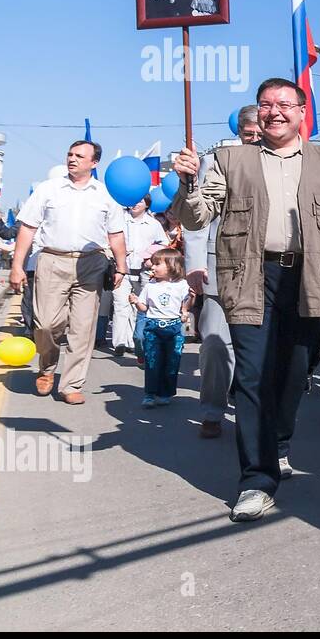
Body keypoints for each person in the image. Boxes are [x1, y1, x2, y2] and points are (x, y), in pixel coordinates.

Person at [172, 78, 320, 522]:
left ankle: (279, 440)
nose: (274, 112)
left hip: (311, 278)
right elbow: (196, 216)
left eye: (284, 104)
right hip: (249, 275)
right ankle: (257, 480)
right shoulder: (229, 160)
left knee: (295, 371)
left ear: (303, 113)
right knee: (252, 375)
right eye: (265, 105)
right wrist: (186, 183)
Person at [10, 141, 128, 406]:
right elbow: (27, 228)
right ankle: (47, 367)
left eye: (79, 156)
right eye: (70, 154)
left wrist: (121, 266)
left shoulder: (104, 194)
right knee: (47, 324)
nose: (72, 159)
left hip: (91, 263)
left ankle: (72, 384)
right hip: (52, 260)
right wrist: (17, 266)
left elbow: (116, 233)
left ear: (94, 163)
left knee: (83, 328)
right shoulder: (48, 189)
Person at [184, 106, 263, 439]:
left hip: (266, 270)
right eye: (250, 134)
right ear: (240, 131)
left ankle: (254, 418)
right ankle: (212, 410)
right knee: (216, 344)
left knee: (261, 350)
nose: (255, 139)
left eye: (262, 134)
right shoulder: (219, 161)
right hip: (220, 266)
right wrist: (195, 263)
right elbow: (199, 215)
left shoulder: (285, 164)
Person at [111, 196, 168, 362]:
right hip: (122, 269)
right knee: (120, 305)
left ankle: (134, 341)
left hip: (144, 270)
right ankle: (120, 342)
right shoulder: (120, 219)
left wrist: (151, 256)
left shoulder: (153, 224)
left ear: (147, 205)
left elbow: (164, 243)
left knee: (139, 306)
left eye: (141, 201)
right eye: (134, 200)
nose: (136, 204)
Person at [135, 247, 193, 408]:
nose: (152, 267)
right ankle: (150, 394)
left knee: (172, 361)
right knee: (153, 360)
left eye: (157, 264)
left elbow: (186, 305)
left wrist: (187, 308)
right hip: (153, 326)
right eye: (153, 264)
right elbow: (144, 308)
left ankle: (165, 392)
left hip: (174, 327)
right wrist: (135, 301)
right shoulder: (150, 286)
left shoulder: (182, 285)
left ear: (172, 265)